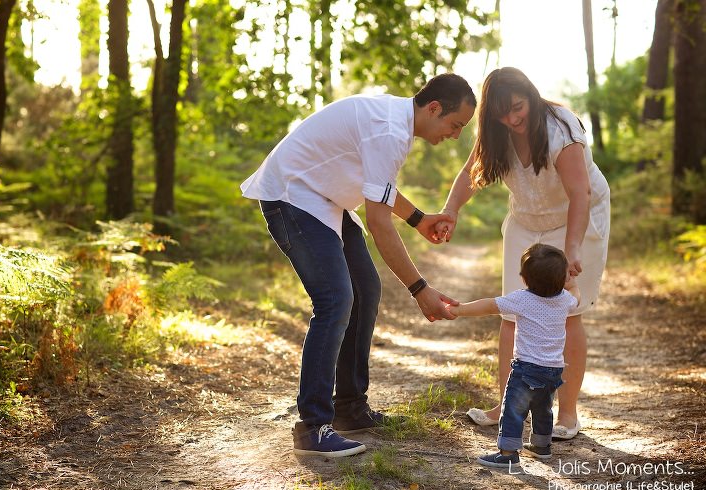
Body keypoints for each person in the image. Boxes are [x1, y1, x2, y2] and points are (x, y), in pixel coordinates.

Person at [240, 73, 477, 457]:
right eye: (455, 125)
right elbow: (380, 224)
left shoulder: (396, 124)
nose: (455, 135)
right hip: (292, 195)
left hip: (326, 199)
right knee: (336, 300)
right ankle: (313, 427)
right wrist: (420, 289)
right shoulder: (390, 130)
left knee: (365, 291)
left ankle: (349, 408)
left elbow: (378, 189)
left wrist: (419, 219)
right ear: (434, 108)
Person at [438, 67, 610, 440]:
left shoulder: (560, 128)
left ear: (530, 95)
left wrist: (572, 248)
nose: (512, 119)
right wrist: (451, 210)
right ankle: (507, 406)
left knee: (567, 313)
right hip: (526, 219)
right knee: (512, 311)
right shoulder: (496, 132)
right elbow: (471, 173)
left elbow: (580, 193)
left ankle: (568, 414)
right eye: (503, 113)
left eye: (517, 108)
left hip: (575, 217)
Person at [447, 243, 580, 468]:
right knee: (543, 408)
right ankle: (541, 446)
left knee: (513, 410)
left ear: (524, 279)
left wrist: (459, 309)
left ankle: (508, 453)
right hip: (554, 369)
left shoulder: (522, 299)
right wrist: (573, 284)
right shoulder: (564, 299)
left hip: (526, 368)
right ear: (561, 278)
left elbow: (489, 306)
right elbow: (577, 298)